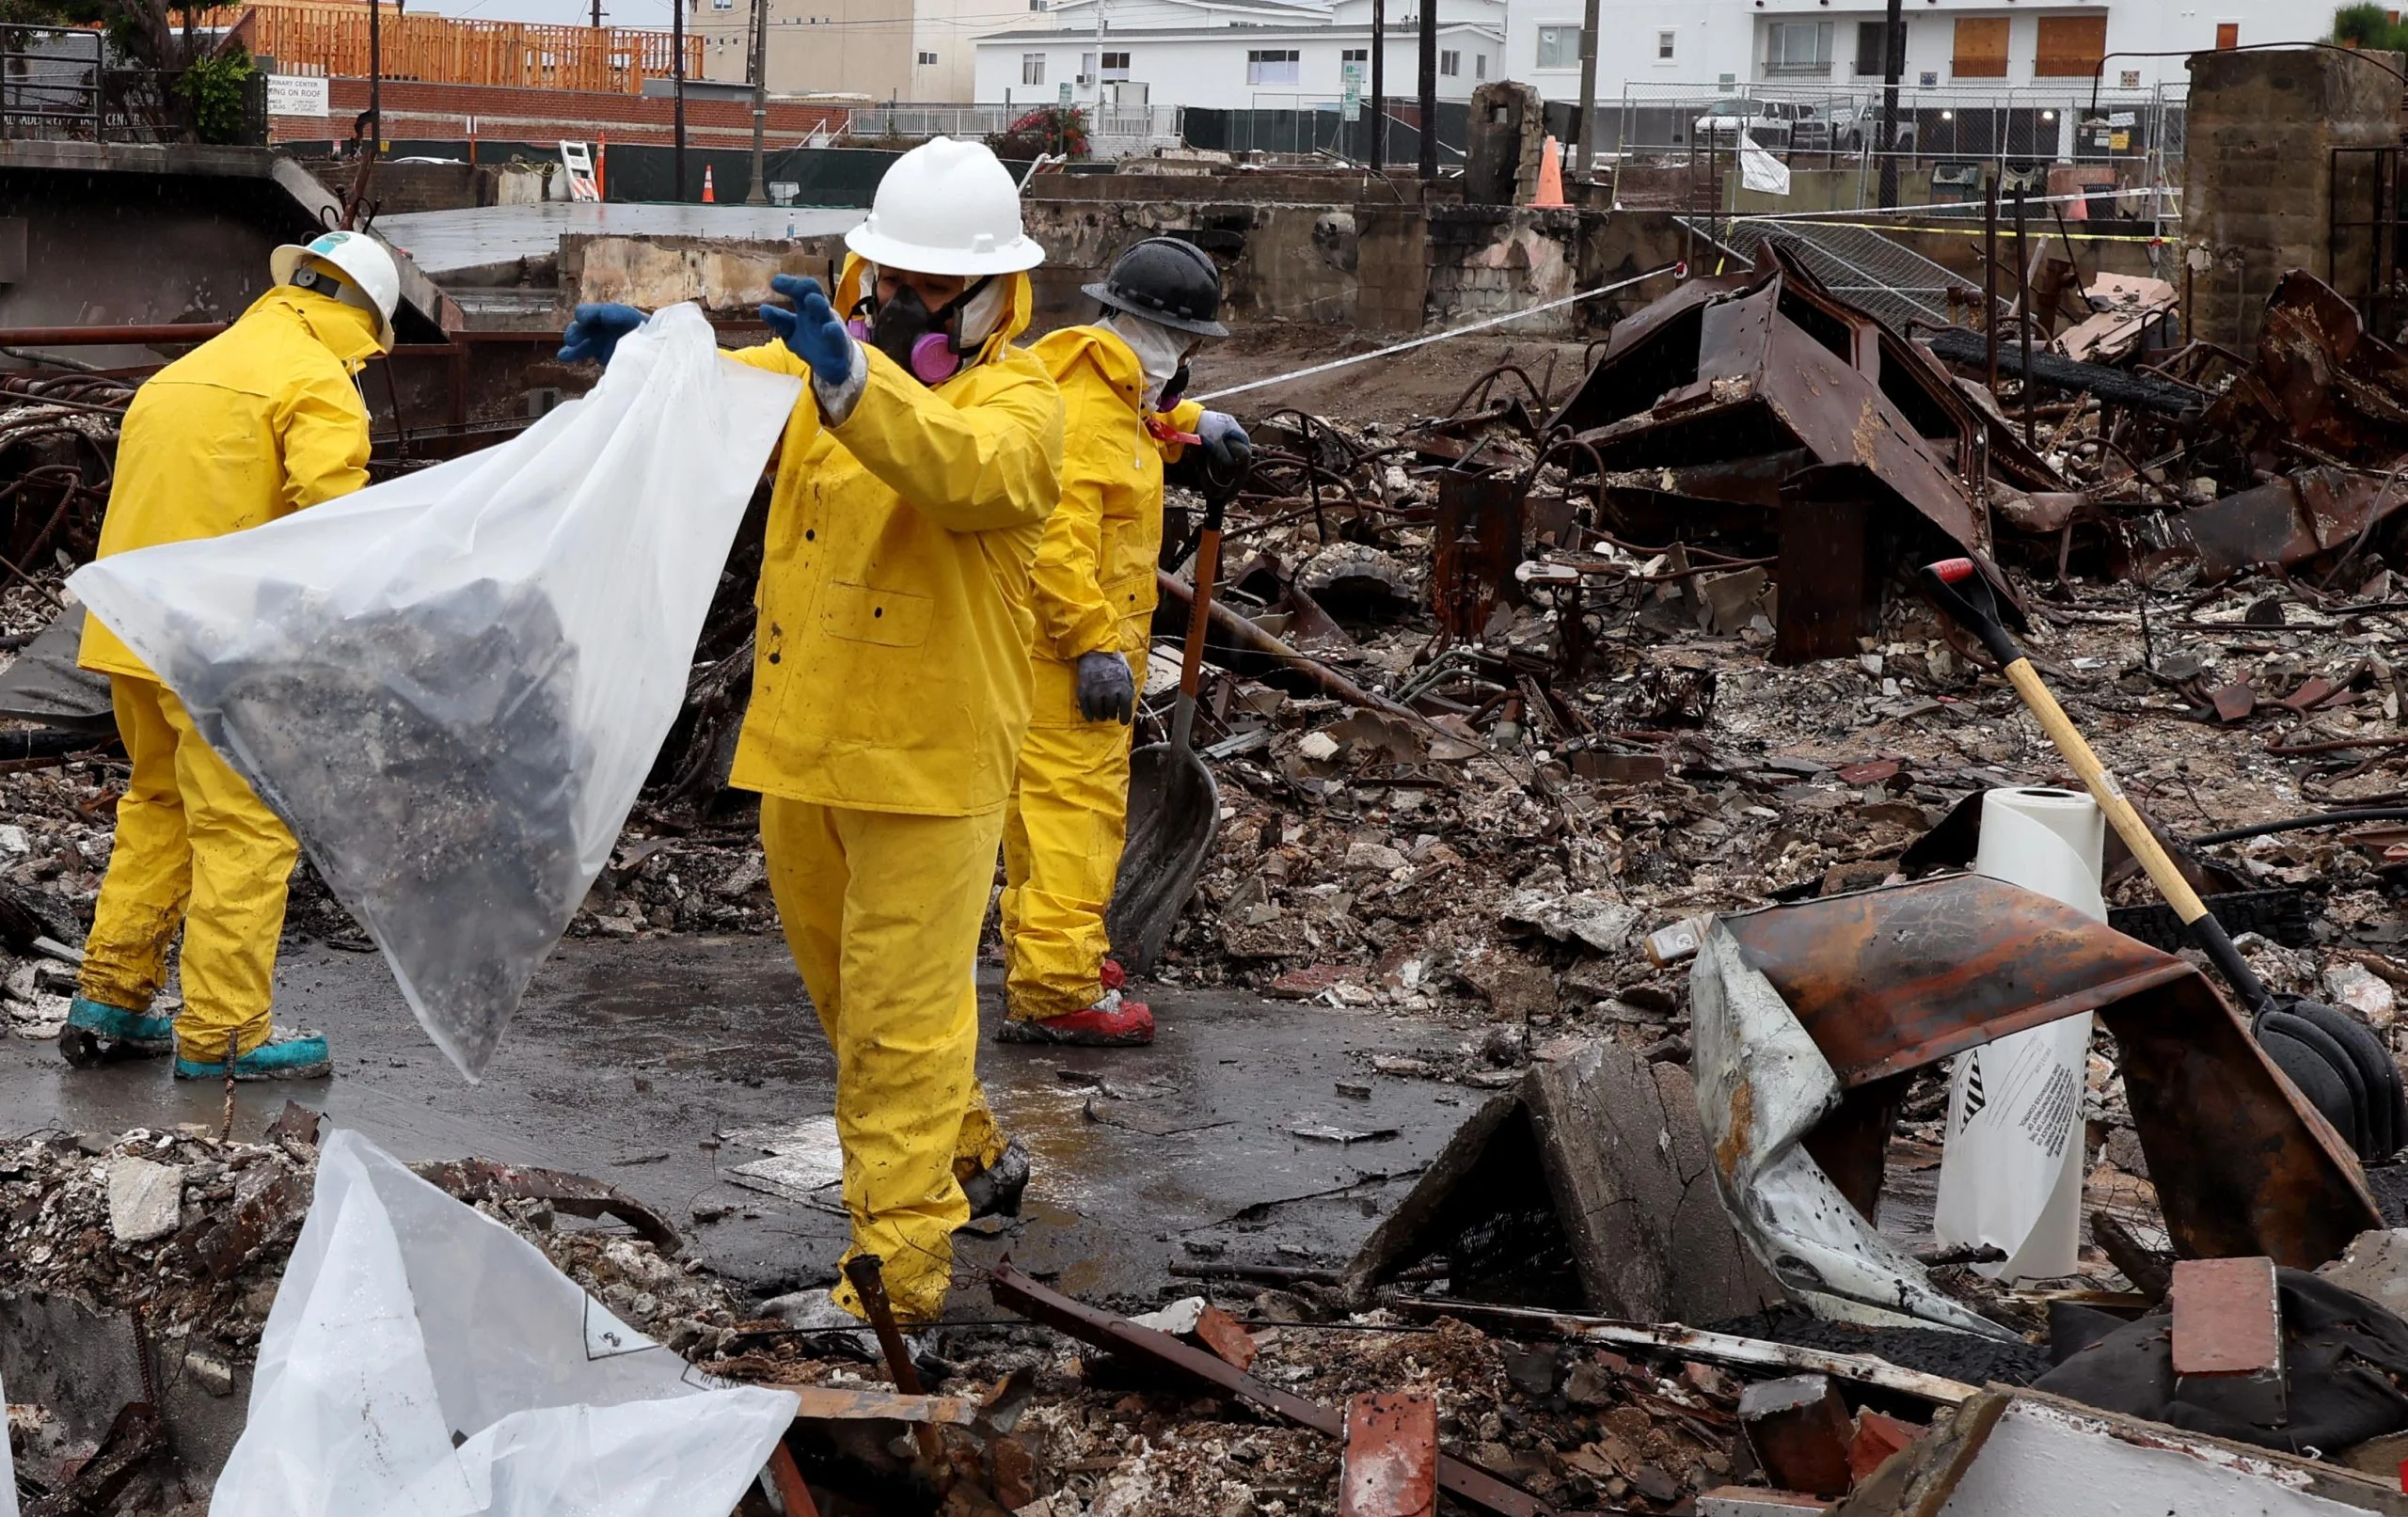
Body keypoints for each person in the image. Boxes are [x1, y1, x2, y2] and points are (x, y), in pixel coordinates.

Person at [562, 137, 1057, 1330]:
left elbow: (960, 470)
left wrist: (854, 383)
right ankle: (968, 1156)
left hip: (927, 763)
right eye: (892, 283)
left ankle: (897, 1277)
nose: (906, 308)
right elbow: (724, 405)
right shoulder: (814, 374)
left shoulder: (1021, 406)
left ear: (994, 298)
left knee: (898, 1026)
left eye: (935, 291)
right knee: (857, 1004)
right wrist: (652, 361)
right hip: (808, 744)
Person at [63, 229, 400, 1081]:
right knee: (245, 823)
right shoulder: (316, 376)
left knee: (159, 805)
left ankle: (109, 997)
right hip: (224, 648)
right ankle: (223, 1032)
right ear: (365, 322)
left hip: (133, 632)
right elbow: (334, 517)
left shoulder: (186, 371)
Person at [996, 238, 1249, 1048]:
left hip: (1056, 655)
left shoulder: (1107, 387)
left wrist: (1195, 426)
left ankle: (1049, 952)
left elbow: (1139, 425)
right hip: (1069, 657)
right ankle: (1057, 990)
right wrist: (1092, 644)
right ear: (1163, 336)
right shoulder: (1086, 410)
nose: (1187, 365)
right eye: (1187, 347)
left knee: (1041, 817)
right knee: (1074, 816)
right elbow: (1054, 537)